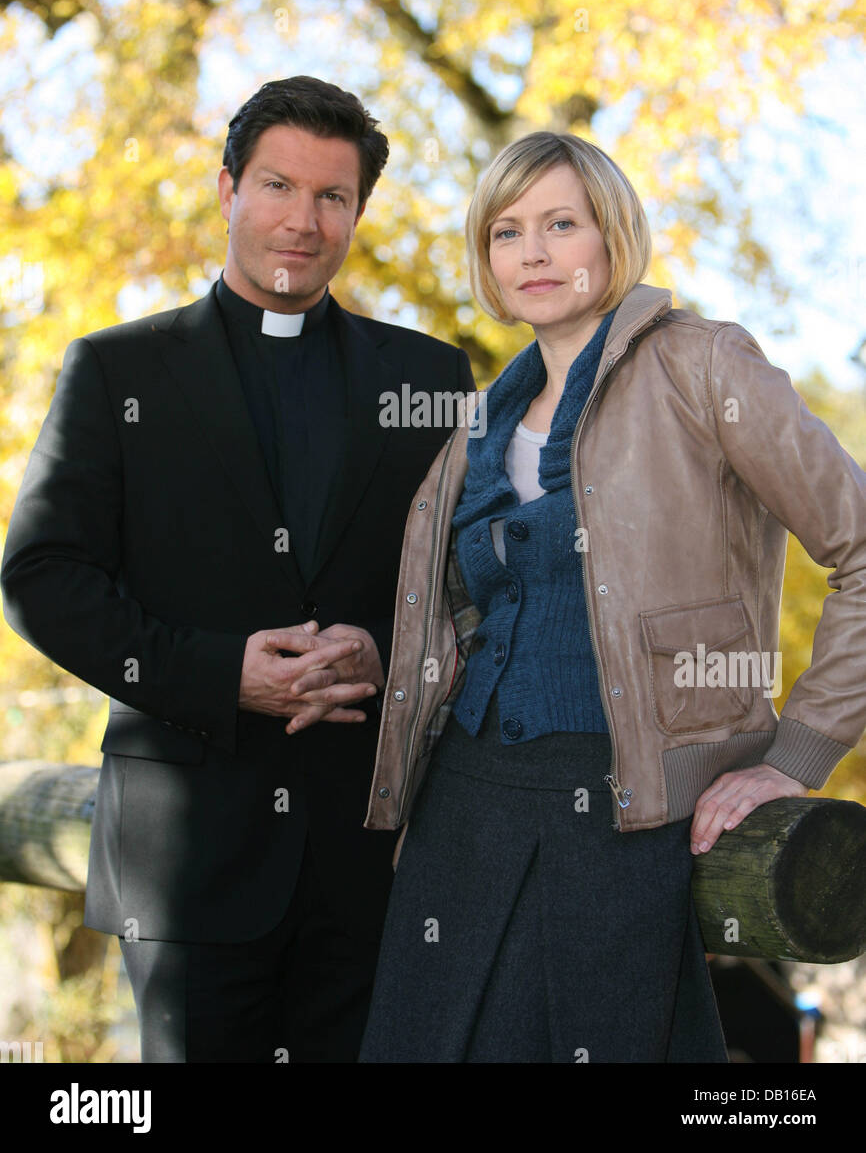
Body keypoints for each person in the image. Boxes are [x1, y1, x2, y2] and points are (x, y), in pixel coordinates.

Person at [358, 129, 866, 1064]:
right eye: (506, 233)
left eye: (562, 223)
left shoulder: (703, 364)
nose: (535, 253)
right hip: (461, 807)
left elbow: (861, 549)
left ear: (613, 236)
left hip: (624, 801)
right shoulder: (480, 421)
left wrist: (797, 757)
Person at [0, 75, 475, 1063]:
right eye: (275, 186)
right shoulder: (116, 372)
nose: (301, 220)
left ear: (357, 211)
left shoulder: (429, 380)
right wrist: (223, 674)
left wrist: (386, 651)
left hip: (373, 857)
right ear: (226, 190)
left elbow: (476, 581)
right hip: (183, 860)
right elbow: (42, 574)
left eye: (331, 196)